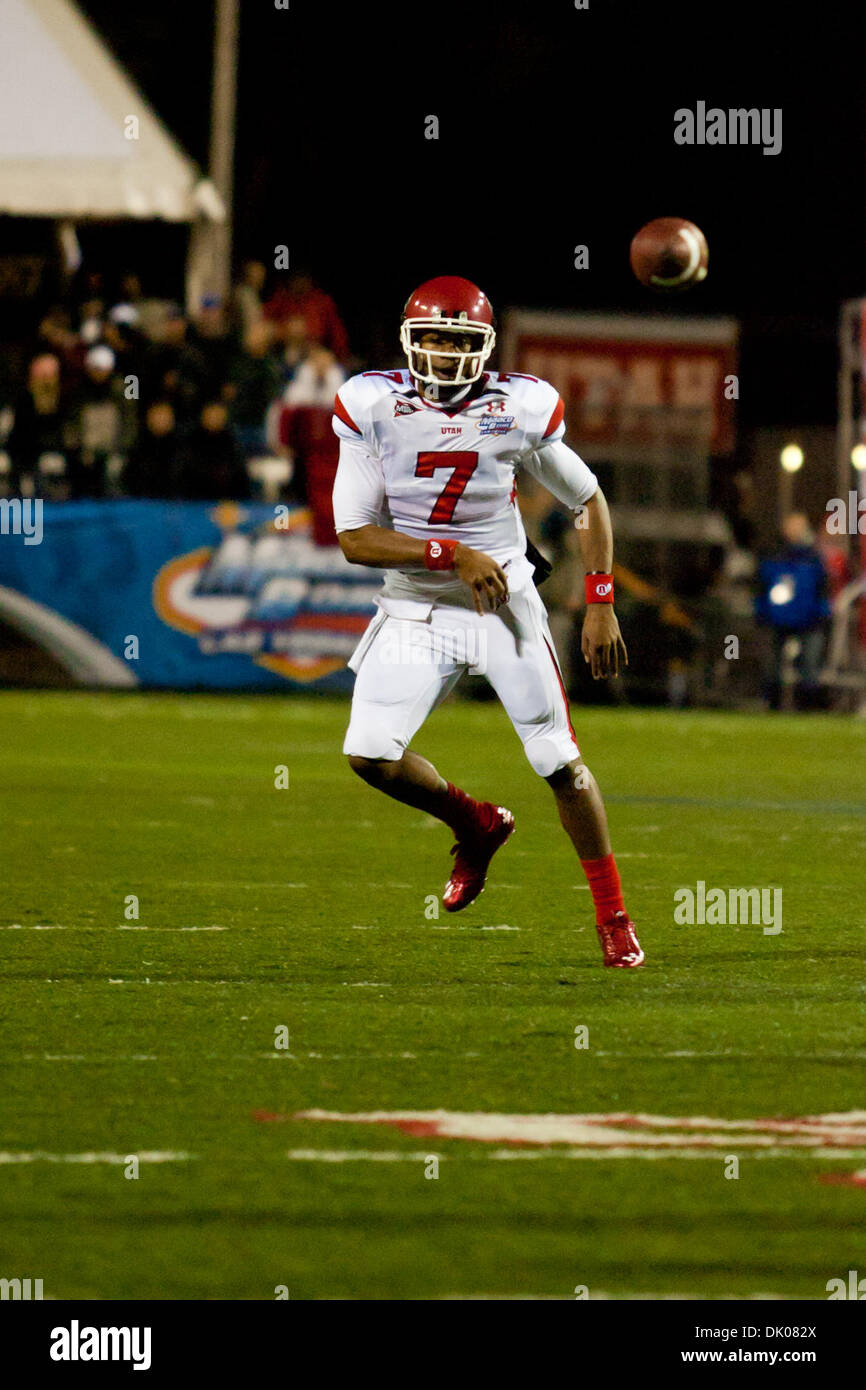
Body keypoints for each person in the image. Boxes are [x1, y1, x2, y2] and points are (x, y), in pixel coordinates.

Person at [331, 276, 643, 969]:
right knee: (370, 756)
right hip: (417, 604)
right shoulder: (371, 405)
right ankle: (475, 824)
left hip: (503, 603)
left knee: (559, 762)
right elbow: (354, 537)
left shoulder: (518, 407)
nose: (444, 355)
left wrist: (599, 599)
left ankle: (613, 915)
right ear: (411, 344)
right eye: (434, 340)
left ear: (485, 348)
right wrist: (452, 553)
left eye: (459, 341)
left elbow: (587, 498)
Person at [755, 513, 831, 710]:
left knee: (809, 666)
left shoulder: (814, 558)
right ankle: (772, 704)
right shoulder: (771, 555)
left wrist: (821, 614)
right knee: (772, 667)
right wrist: (762, 613)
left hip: (808, 620)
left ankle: (808, 707)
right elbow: (761, 587)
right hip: (777, 619)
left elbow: (822, 588)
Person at [178, 400, 250, 501]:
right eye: (211, 414)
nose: (214, 418)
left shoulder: (231, 442)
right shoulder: (191, 441)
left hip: (225, 502)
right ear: (203, 415)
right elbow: (185, 473)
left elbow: (240, 474)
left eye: (218, 415)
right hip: (193, 500)